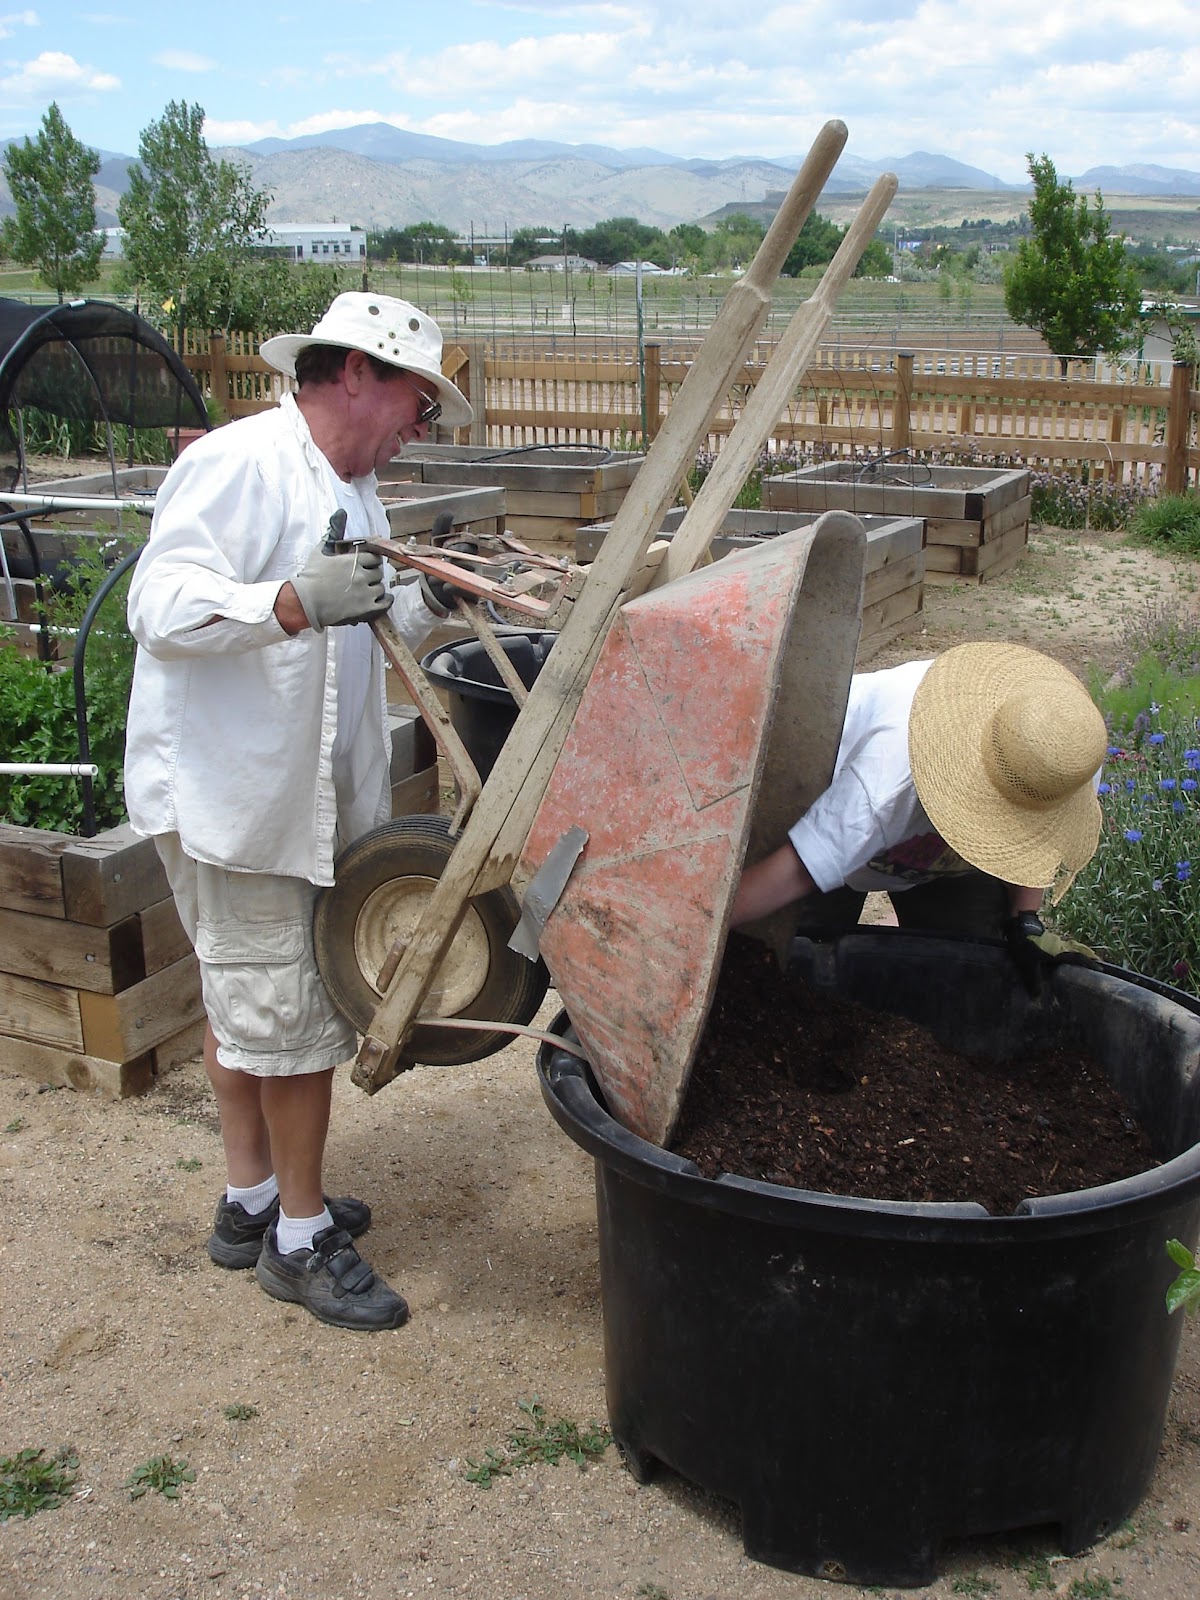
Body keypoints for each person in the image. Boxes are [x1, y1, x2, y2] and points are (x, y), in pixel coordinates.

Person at [124, 292, 474, 1332]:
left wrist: (427, 598)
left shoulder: (352, 489)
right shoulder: (240, 464)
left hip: (295, 797)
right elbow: (159, 603)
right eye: (419, 402)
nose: (421, 427)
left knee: (247, 1000)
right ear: (358, 373)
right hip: (235, 794)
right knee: (289, 1018)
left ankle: (251, 1202)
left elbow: (357, 614)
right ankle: (301, 1239)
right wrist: (282, 603)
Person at [730, 642, 1107, 988]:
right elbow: (796, 870)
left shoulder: (1066, 752)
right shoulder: (885, 785)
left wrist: (1024, 920)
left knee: (972, 977)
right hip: (828, 818)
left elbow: (1033, 835)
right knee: (788, 971)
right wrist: (699, 929)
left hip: (941, 860)